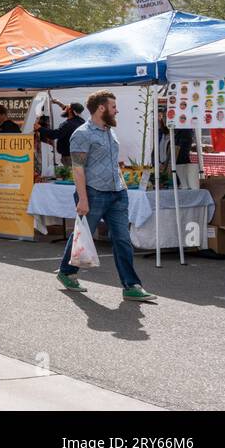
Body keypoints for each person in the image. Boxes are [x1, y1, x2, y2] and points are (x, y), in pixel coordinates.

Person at [55, 92, 156, 302]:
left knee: (122, 240)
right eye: (113, 106)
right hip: (93, 193)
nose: (116, 110)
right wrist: (83, 199)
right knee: (83, 235)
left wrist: (123, 186)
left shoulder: (110, 131)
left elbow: (112, 162)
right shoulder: (82, 134)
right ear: (101, 108)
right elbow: (78, 168)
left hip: (117, 194)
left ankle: (131, 285)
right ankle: (66, 271)